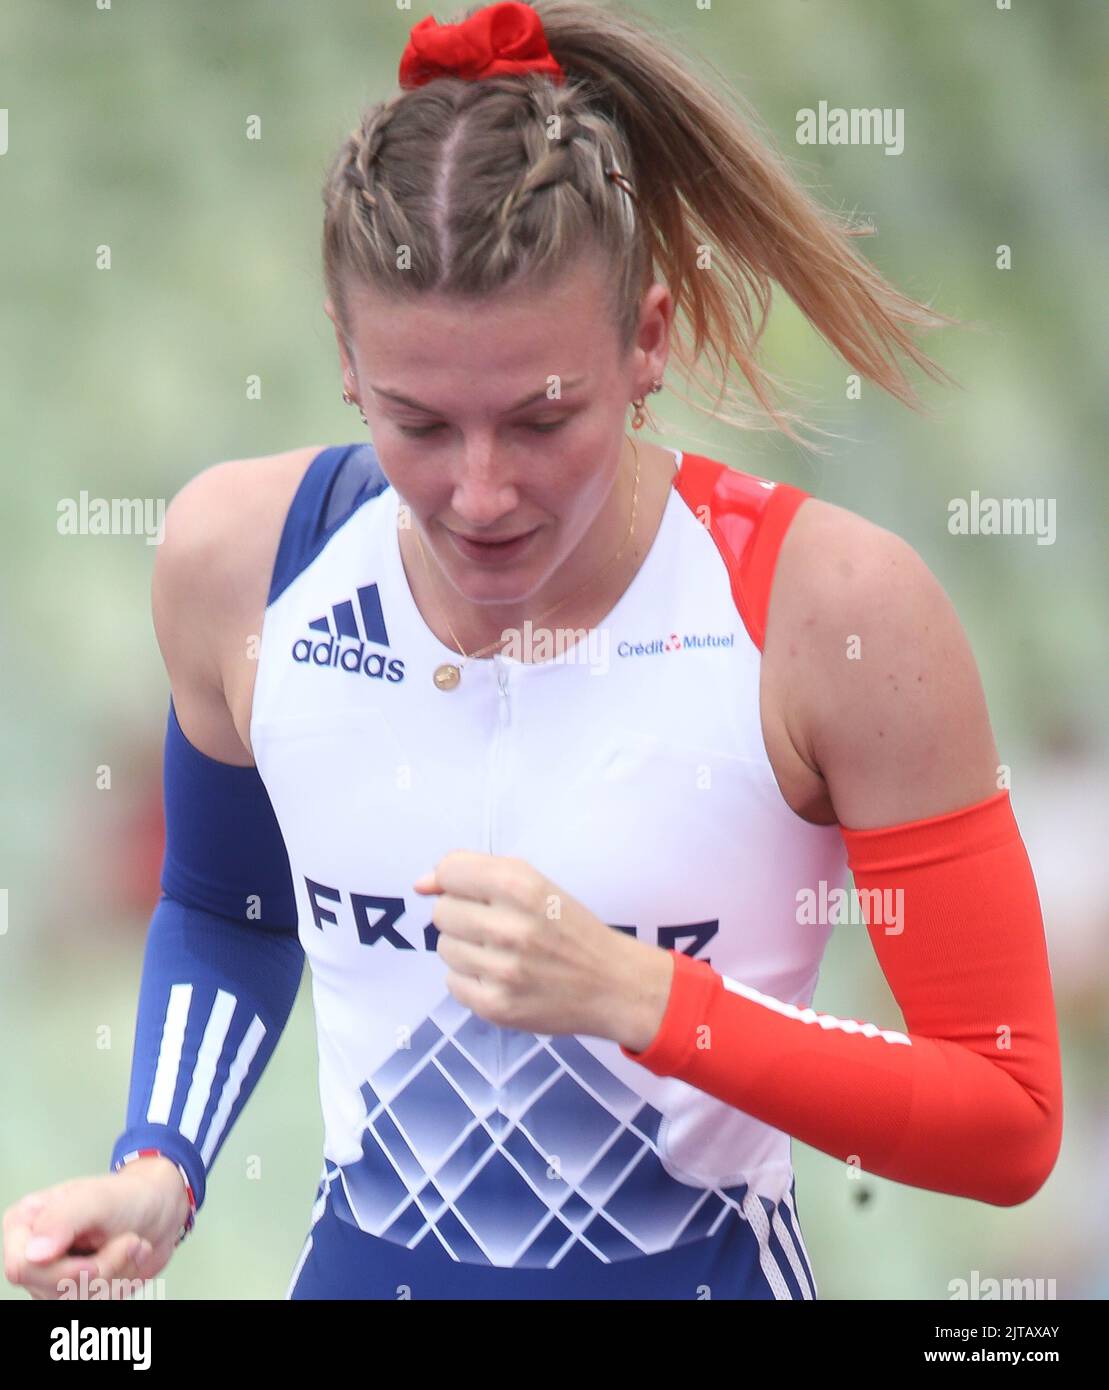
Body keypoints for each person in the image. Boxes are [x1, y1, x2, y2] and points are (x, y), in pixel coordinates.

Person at [3, 0, 1061, 1301]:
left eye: (541, 415)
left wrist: (652, 1001)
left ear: (648, 341)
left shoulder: (831, 611)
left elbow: (1007, 1118)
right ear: (343, 360)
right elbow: (231, 904)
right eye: (420, 423)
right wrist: (158, 1166)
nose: (483, 491)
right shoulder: (238, 559)